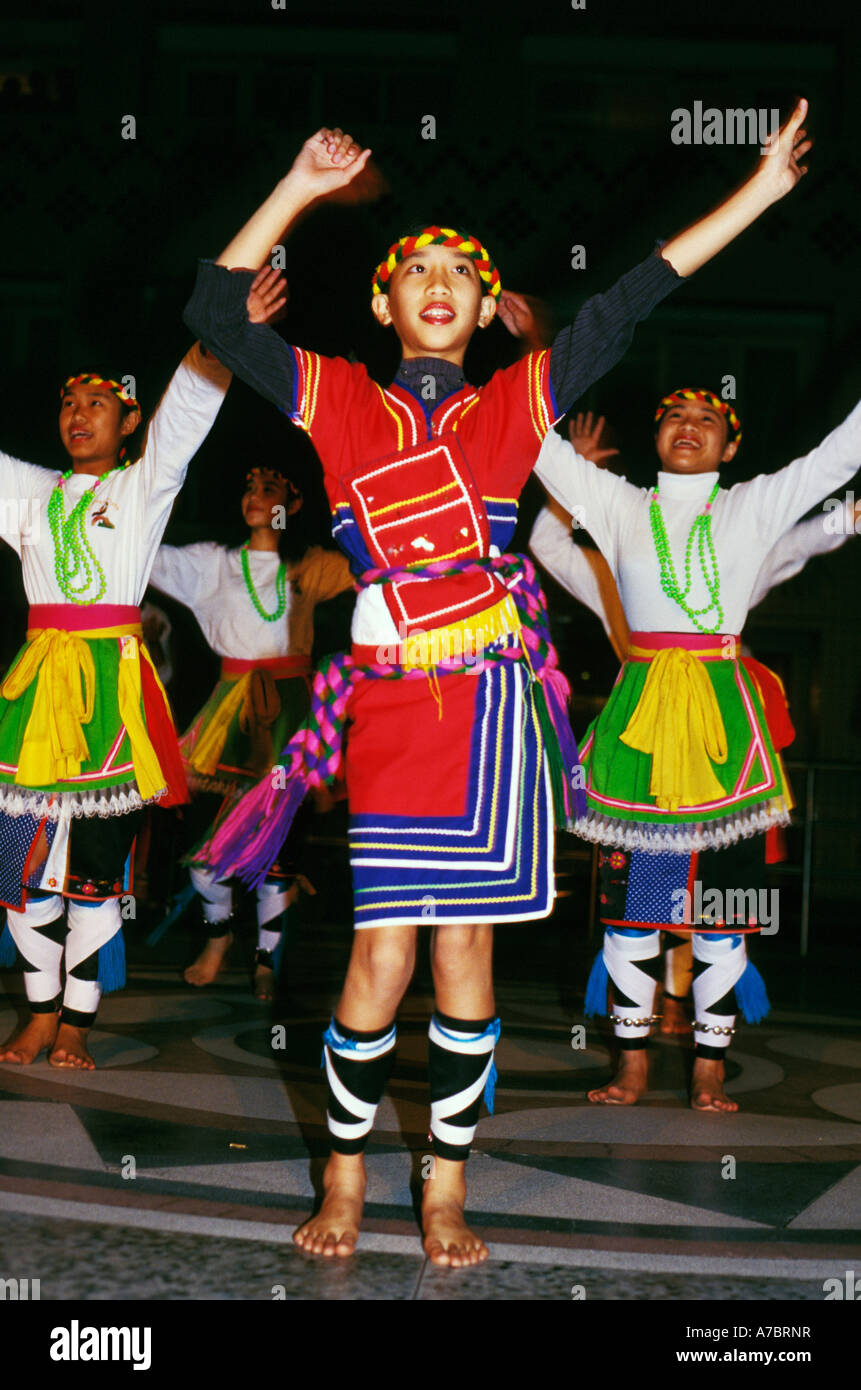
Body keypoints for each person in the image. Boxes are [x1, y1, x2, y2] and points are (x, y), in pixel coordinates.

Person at [182, 110, 812, 1264]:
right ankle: (343, 1169)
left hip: (491, 716)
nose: (435, 285)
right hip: (388, 707)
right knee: (382, 953)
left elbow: (633, 295)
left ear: (486, 308)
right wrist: (294, 186)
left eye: (458, 276)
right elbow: (214, 314)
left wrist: (763, 194)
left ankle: (444, 1191)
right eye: (413, 270)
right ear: (383, 305)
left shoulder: (519, 401)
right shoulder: (336, 396)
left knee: (464, 956)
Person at [531, 377, 861, 1111]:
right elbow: (531, 444)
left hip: (724, 731)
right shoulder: (618, 504)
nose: (688, 425)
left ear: (731, 443)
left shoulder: (750, 505)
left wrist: (845, 519)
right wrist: (538, 354)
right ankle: (632, 1063)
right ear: (653, 438)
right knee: (631, 910)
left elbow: (837, 459)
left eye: (707, 417)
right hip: (639, 728)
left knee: (724, 913)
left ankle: (709, 1066)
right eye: (673, 416)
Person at [0, 345, 231, 1069]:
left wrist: (216, 336)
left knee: (93, 876)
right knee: (21, 871)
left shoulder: (143, 486)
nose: (78, 415)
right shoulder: (30, 490)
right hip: (36, 693)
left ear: (128, 422)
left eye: (97, 403)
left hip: (112, 700)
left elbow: (187, 414)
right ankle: (39, 1015)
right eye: (69, 404)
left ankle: (75, 1024)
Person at [149, 462, 353, 998]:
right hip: (227, 715)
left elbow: (380, 567)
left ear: (295, 502)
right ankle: (216, 938)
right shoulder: (211, 564)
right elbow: (140, 552)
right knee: (204, 845)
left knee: (279, 848)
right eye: (249, 487)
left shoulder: (312, 567)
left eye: (270, 488)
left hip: (291, 717)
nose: (256, 496)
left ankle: (266, 957)